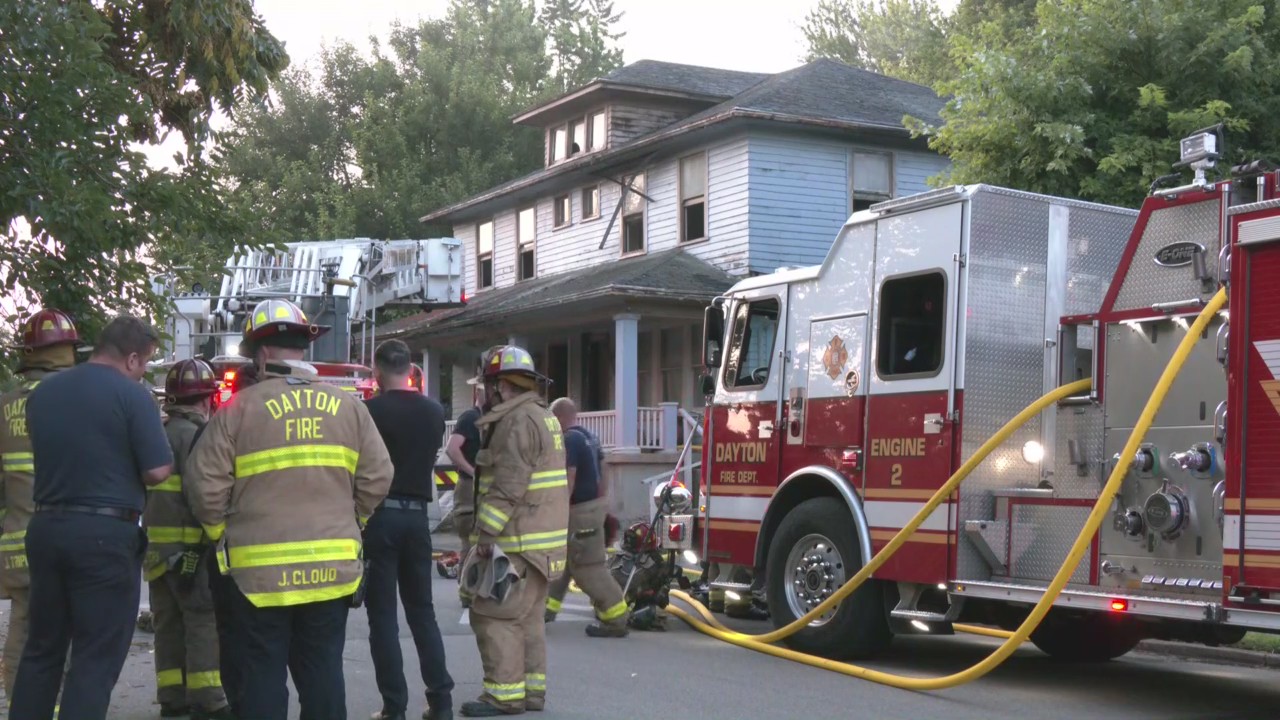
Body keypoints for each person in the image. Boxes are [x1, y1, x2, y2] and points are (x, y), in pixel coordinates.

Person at [185, 298, 393, 720]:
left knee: (261, 675)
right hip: (332, 570)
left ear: (260, 354)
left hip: (257, 575)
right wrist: (354, 521)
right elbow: (378, 476)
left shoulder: (237, 410)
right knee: (323, 673)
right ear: (303, 349)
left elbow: (204, 486)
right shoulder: (349, 407)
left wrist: (221, 536)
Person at [12, 315, 174, 720]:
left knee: (42, 650)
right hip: (105, 536)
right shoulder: (133, 396)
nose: (142, 372)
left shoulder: (43, 395)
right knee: (94, 657)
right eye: (145, 363)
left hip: (46, 529)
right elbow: (157, 471)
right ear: (132, 358)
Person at [460, 345, 569, 718]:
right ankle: (531, 692)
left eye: (486, 386)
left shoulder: (516, 421)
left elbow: (508, 485)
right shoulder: (542, 416)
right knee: (529, 618)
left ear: (501, 386)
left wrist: (486, 535)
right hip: (540, 542)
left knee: (494, 615)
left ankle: (503, 695)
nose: (483, 394)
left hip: (517, 541)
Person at [362, 339, 454, 720]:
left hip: (380, 517)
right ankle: (441, 701)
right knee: (422, 612)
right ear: (412, 370)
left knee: (383, 617)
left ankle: (394, 706)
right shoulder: (434, 412)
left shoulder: (369, 412)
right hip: (417, 518)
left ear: (377, 371)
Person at [145, 359, 232, 719]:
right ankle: (208, 699)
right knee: (201, 622)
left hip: (155, 551)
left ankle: (171, 696)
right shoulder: (200, 436)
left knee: (166, 624)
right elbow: (205, 494)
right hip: (192, 550)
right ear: (207, 399)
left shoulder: (156, 435)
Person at [0, 309, 80, 699]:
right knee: (68, 631)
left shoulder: (5, 406)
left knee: (24, 627)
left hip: (17, 539)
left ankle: (21, 706)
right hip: (69, 536)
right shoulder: (76, 400)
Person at [542, 397, 628, 637]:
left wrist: (558, 511)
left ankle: (616, 619)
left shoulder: (569, 439)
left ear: (558, 417)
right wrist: (601, 503)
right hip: (591, 508)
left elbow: (569, 477)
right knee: (562, 563)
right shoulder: (590, 437)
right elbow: (604, 469)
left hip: (577, 512)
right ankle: (542, 612)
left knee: (588, 568)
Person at [446, 345, 504, 556]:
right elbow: (452, 449)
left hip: (487, 492)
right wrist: (473, 472)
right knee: (471, 548)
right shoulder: (470, 417)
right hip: (469, 493)